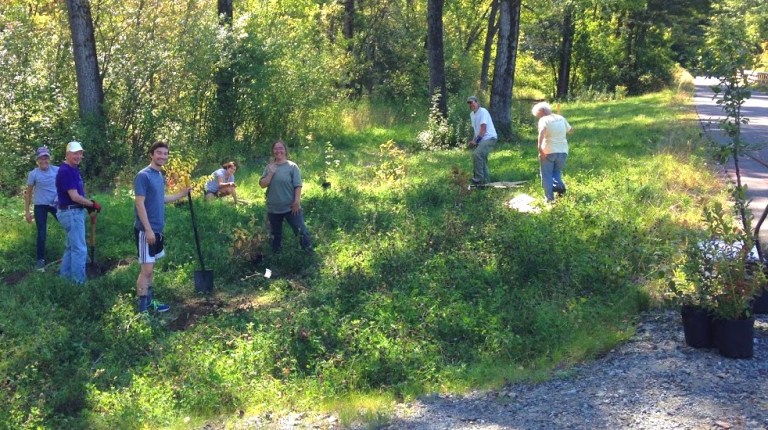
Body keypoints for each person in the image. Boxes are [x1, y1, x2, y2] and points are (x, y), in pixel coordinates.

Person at [134, 140, 191, 313]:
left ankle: (150, 303)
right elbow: (139, 204)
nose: (162, 156)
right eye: (159, 153)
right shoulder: (143, 176)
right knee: (147, 270)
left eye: (165, 154)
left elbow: (160, 199)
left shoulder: (159, 176)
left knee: (151, 269)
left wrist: (181, 194)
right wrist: (149, 229)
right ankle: (142, 309)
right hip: (146, 231)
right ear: (152, 154)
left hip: (158, 229)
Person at [55, 141, 101, 284]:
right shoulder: (66, 171)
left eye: (80, 153)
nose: (78, 156)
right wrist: (92, 204)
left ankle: (65, 277)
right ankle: (79, 283)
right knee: (80, 249)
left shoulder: (73, 169)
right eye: (75, 153)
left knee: (71, 247)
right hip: (71, 213)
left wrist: (87, 205)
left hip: (72, 211)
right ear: (67, 154)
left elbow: (78, 195)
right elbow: (74, 197)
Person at [259, 139, 312, 253]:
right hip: (273, 208)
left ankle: (309, 254)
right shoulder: (269, 167)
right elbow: (263, 185)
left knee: (301, 230)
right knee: (275, 235)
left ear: (285, 150)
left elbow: (298, 185)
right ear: (273, 151)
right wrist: (271, 173)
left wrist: (297, 202)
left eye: (281, 148)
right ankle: (276, 258)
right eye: (276, 148)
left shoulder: (292, 166)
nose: (278, 151)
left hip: (291, 207)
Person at [532, 101, 574, 202]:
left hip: (548, 150)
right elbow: (571, 131)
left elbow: (541, 133)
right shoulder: (560, 118)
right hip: (563, 150)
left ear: (541, 112)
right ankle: (560, 189)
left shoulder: (543, 120)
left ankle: (549, 199)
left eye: (538, 115)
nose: (538, 117)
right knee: (557, 172)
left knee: (546, 175)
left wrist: (540, 148)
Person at [25, 146, 60, 270]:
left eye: (46, 157)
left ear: (49, 158)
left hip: (56, 204)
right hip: (40, 206)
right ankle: (40, 259)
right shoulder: (33, 174)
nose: (44, 160)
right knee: (42, 233)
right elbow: (28, 193)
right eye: (41, 158)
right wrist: (27, 212)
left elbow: (66, 185)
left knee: (69, 226)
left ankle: (77, 251)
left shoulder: (57, 170)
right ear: (37, 160)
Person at [467, 96, 498, 184]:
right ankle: (486, 182)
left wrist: (476, 141)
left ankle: (479, 179)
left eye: (472, 102)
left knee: (477, 154)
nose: (471, 104)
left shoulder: (483, 111)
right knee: (482, 159)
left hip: (490, 138)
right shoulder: (472, 115)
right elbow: (476, 130)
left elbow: (483, 129)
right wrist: (473, 141)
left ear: (477, 102)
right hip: (482, 139)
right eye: (469, 103)